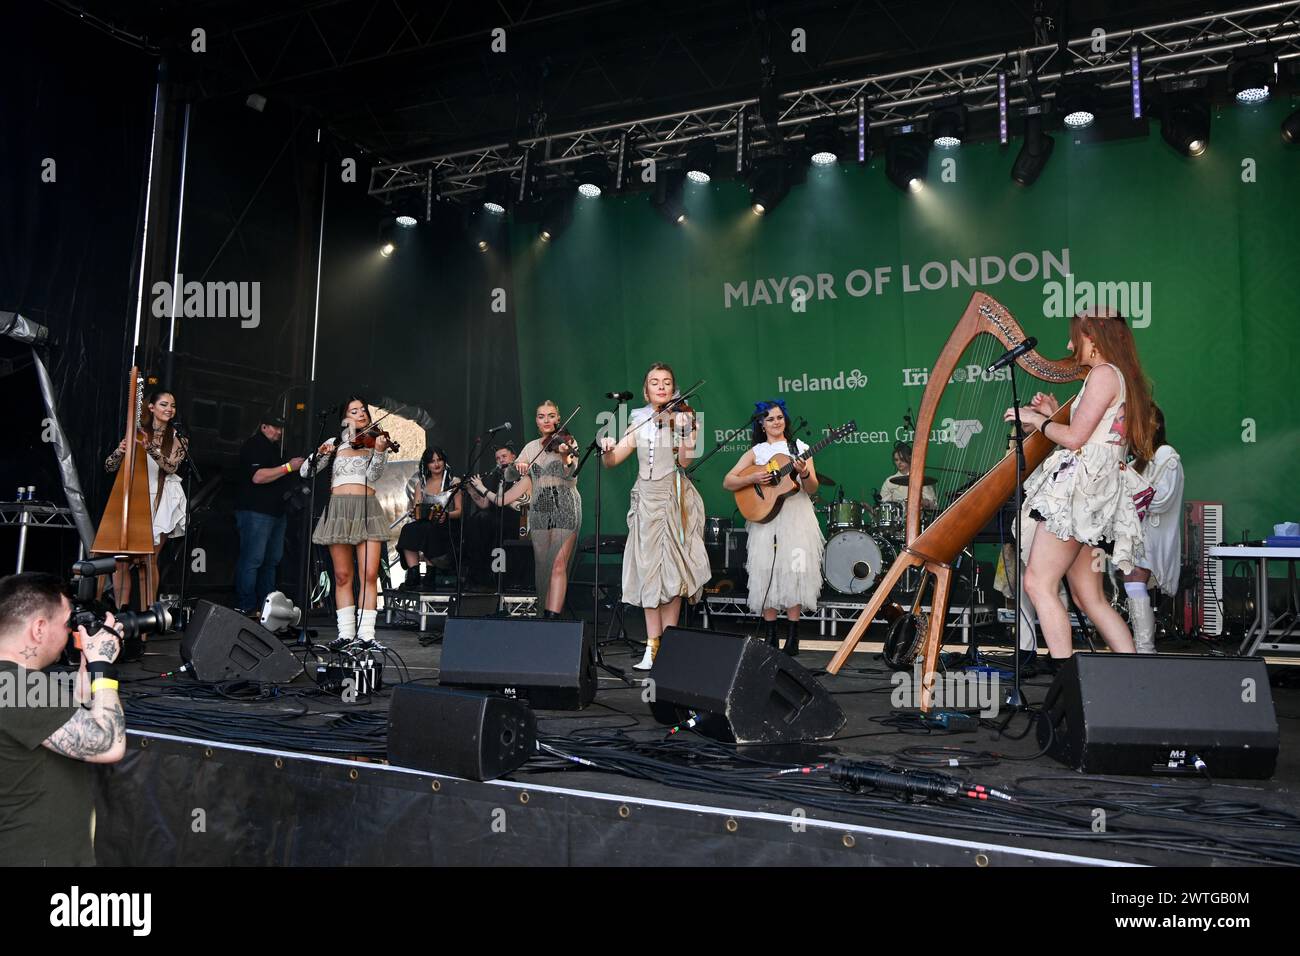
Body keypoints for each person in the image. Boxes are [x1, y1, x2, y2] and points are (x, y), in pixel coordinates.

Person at [1004, 309, 1155, 664]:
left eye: (1076, 337)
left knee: (1037, 584)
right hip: (1092, 494)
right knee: (1090, 598)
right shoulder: (1115, 376)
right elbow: (1092, 435)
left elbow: (1075, 439)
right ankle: (1136, 678)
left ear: (1094, 339)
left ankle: (1067, 682)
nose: (1070, 344)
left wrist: (1036, 420)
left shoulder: (1103, 374)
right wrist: (1055, 412)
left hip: (1081, 495)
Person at [0, 572, 125, 866]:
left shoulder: (14, 684)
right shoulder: (19, 686)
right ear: (39, 628)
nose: (72, 633)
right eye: (68, 623)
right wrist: (104, 668)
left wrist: (87, 675)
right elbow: (107, 745)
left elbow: (62, 731)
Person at [600, 364, 710, 669]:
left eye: (666, 382)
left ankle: (670, 644)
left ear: (673, 388)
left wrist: (685, 431)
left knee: (672, 574)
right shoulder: (637, 419)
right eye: (654, 383)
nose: (660, 387)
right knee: (648, 573)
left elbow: (686, 461)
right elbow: (613, 461)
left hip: (672, 498)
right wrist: (607, 446)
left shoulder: (687, 418)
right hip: (645, 500)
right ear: (646, 389)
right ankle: (652, 645)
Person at [722, 399, 823, 656]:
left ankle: (793, 634)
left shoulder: (798, 448)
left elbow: (812, 489)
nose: (776, 422)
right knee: (766, 570)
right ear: (761, 423)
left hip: (797, 518)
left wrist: (804, 474)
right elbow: (728, 481)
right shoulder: (756, 452)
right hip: (766, 518)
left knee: (795, 571)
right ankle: (770, 633)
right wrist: (754, 477)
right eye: (770, 419)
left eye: (780, 417)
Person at [303, 396, 391, 645]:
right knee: (342, 575)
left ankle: (366, 636)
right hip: (339, 509)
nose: (361, 413)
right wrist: (319, 454)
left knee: (369, 574)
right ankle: (345, 634)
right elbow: (305, 472)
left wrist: (381, 452)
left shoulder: (375, 441)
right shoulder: (334, 443)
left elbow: (374, 475)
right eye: (354, 411)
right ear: (345, 418)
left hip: (366, 508)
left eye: (363, 409)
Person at [486, 403, 580, 617]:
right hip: (540, 508)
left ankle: (552, 616)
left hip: (565, 504)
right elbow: (509, 476)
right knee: (543, 567)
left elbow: (571, 475)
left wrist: (566, 457)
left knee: (557, 564)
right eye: (541, 416)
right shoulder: (530, 447)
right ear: (536, 420)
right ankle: (543, 614)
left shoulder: (569, 442)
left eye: (551, 416)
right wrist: (516, 466)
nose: (546, 420)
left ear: (558, 418)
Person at [104, 387, 189, 607]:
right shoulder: (136, 432)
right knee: (121, 561)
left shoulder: (178, 438)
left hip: (162, 498)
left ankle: (148, 612)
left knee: (149, 559)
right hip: (136, 499)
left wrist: (151, 448)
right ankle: (120, 610)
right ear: (151, 407)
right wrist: (120, 451)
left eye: (172, 405)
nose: (169, 409)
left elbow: (171, 467)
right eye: (164, 404)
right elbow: (109, 466)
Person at [1122, 406, 1184, 654]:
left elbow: (1162, 499)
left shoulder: (1167, 455)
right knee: (1132, 578)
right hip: (1138, 531)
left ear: (1157, 424)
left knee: (1136, 576)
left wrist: (1131, 493)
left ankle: (1145, 648)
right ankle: (1142, 647)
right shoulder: (1138, 458)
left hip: (1155, 532)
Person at [233, 413, 306, 614]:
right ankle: (246, 606)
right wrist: (289, 467)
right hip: (255, 511)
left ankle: (267, 608)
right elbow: (258, 477)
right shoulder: (254, 445)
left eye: (281, 428)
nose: (279, 432)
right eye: (275, 427)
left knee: (271, 562)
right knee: (253, 560)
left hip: (275, 513)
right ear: (263, 427)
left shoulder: (274, 448)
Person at [396, 447, 462, 588]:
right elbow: (417, 507)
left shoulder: (453, 481)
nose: (436, 464)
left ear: (444, 462)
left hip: (447, 525)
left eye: (439, 460)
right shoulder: (422, 483)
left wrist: (447, 515)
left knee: (430, 529)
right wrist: (415, 512)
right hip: (426, 523)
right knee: (408, 529)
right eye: (432, 461)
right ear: (426, 465)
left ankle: (430, 574)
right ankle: (414, 573)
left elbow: (459, 511)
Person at [465, 444, 526, 588]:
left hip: (516, 519)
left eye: (504, 456)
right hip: (496, 520)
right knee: (476, 519)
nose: (501, 460)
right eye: (498, 458)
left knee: (482, 519)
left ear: (513, 457)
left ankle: (485, 576)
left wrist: (481, 487)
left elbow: (502, 502)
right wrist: (471, 489)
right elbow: (485, 504)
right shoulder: (497, 477)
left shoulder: (520, 475)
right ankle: (478, 572)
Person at [878, 441, 937, 507]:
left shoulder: (921, 479)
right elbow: (884, 506)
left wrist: (923, 502)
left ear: (910, 458)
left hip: (919, 516)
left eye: (902, 459)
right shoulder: (889, 481)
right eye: (896, 460)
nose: (899, 462)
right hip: (898, 516)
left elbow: (933, 505)